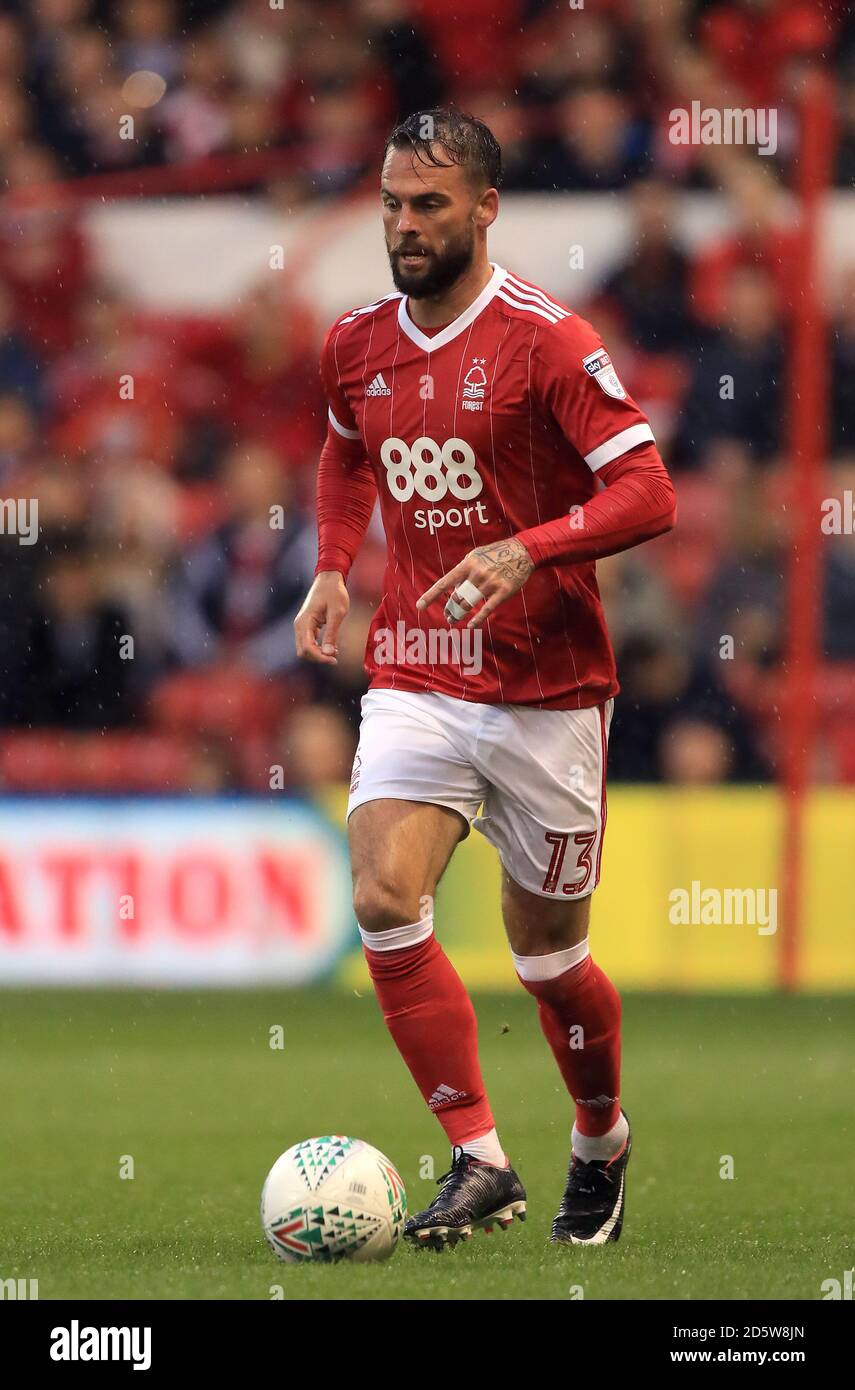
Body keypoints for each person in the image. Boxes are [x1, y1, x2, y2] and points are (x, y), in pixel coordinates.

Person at [294, 108, 676, 1249]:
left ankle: (599, 1137)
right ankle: (479, 1157)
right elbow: (344, 446)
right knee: (380, 897)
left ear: (486, 208)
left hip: (550, 691)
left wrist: (531, 546)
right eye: (393, 206)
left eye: (430, 207)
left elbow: (649, 492)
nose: (405, 228)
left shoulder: (547, 340)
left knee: (550, 963)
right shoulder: (354, 341)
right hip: (417, 667)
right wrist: (329, 565)